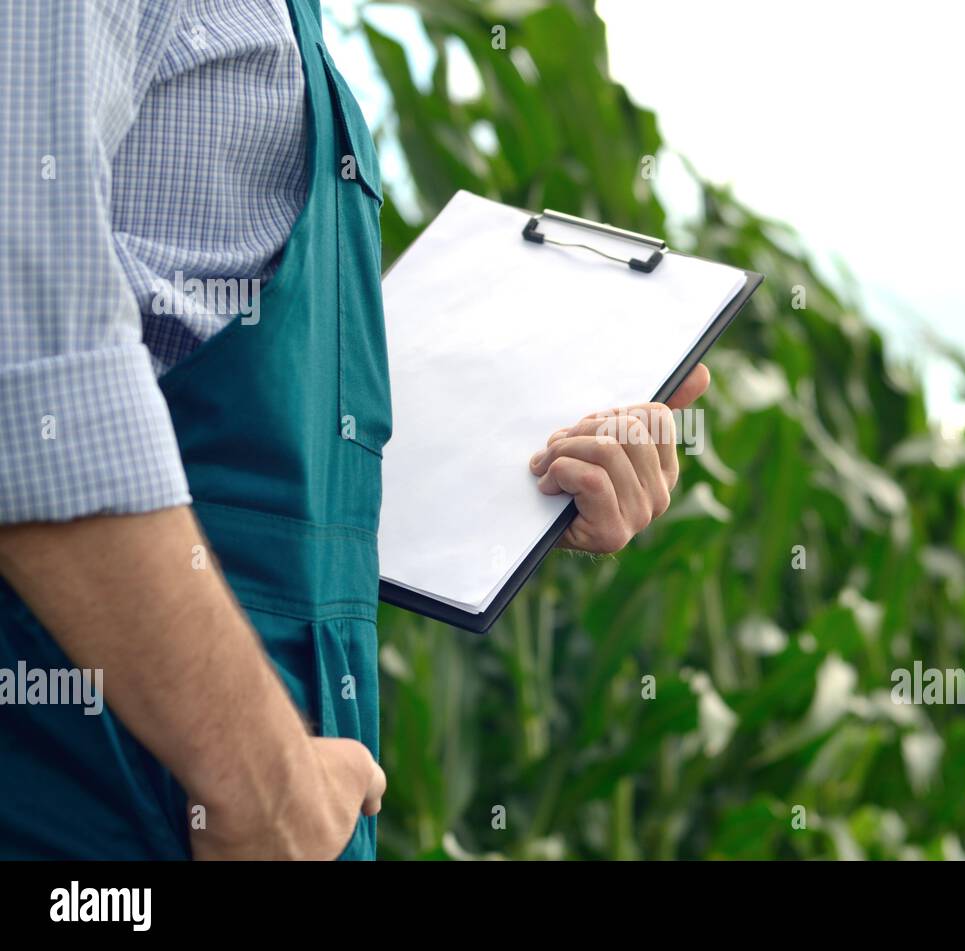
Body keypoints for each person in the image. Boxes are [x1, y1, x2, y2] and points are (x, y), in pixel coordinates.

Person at [0, 0, 706, 860]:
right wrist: (261, 783)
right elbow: (24, 347)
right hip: (92, 810)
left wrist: (522, 486)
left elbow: (268, 473)